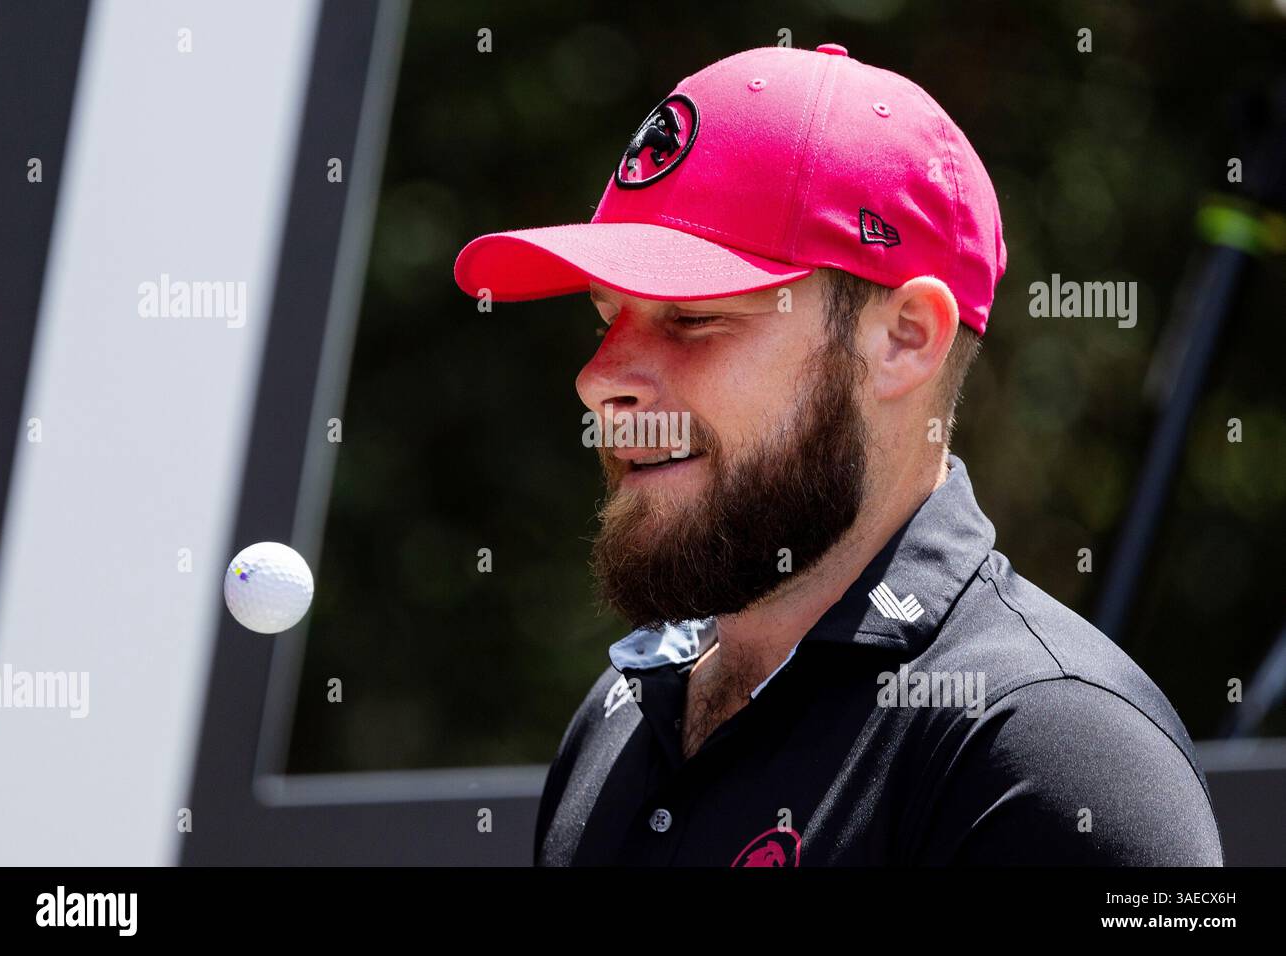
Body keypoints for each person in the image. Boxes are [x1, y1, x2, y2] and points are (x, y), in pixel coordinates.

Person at [453, 44, 1223, 866]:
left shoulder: (1056, 753)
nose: (598, 378)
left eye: (691, 317)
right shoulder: (619, 715)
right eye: (606, 315)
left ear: (905, 339)